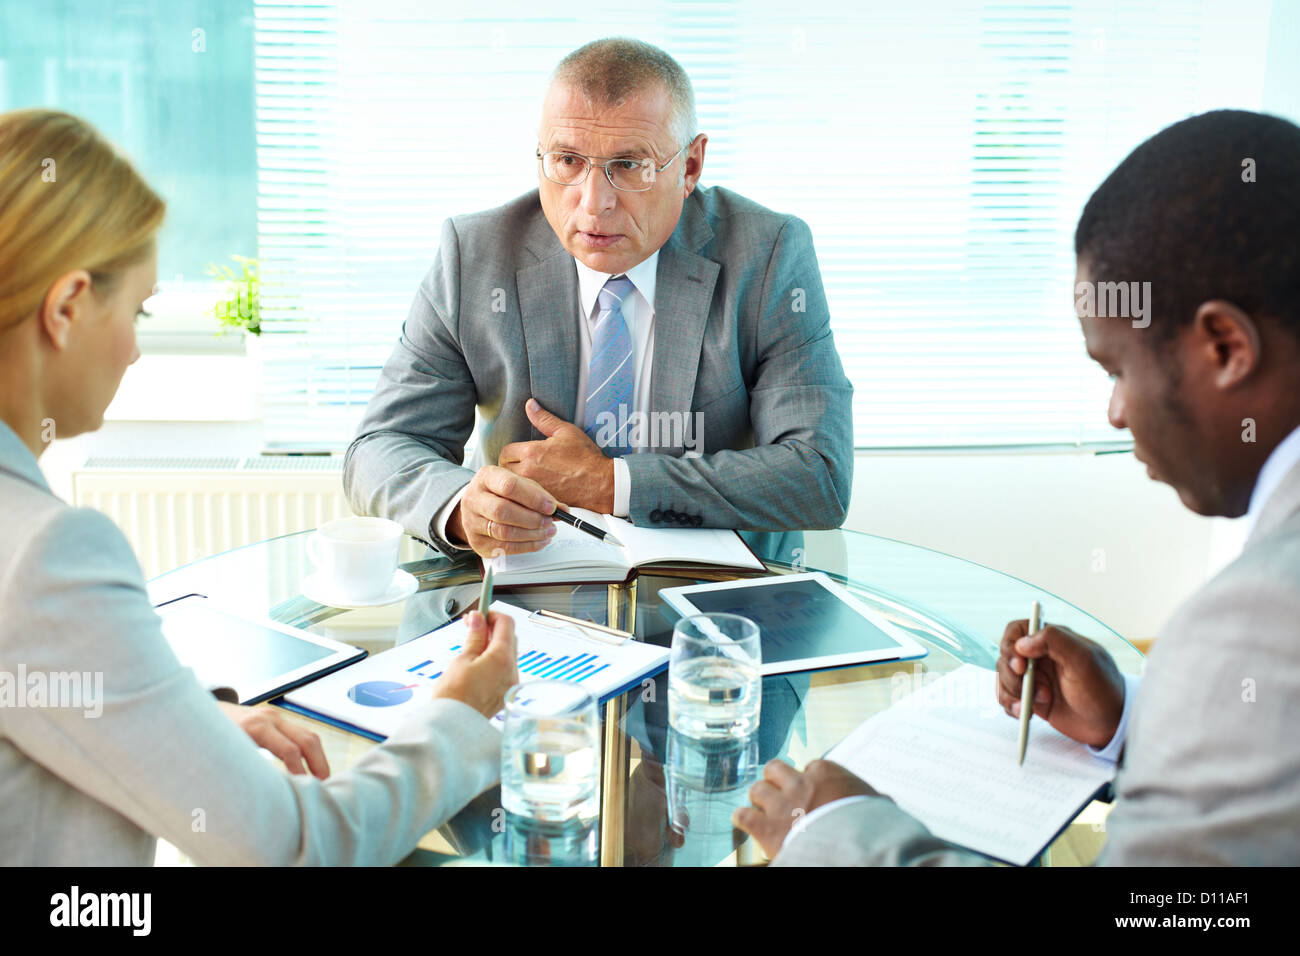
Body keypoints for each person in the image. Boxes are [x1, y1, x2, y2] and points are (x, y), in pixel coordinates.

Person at [734, 109, 1300, 866]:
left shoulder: (1256, 624)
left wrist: (833, 831)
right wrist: (1135, 719)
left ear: (1225, 347)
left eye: (1115, 369)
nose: (1115, 412)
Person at [0, 108, 519, 865]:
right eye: (139, 309)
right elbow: (293, 846)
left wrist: (177, 735)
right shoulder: (48, 552)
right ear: (69, 305)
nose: (136, 350)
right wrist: (461, 717)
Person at [344, 37, 854, 560]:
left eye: (630, 165)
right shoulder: (474, 256)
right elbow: (378, 449)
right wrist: (459, 506)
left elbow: (819, 475)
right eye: (567, 160)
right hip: (527, 584)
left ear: (691, 167)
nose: (593, 203)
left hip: (716, 590)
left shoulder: (767, 255)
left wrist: (612, 484)